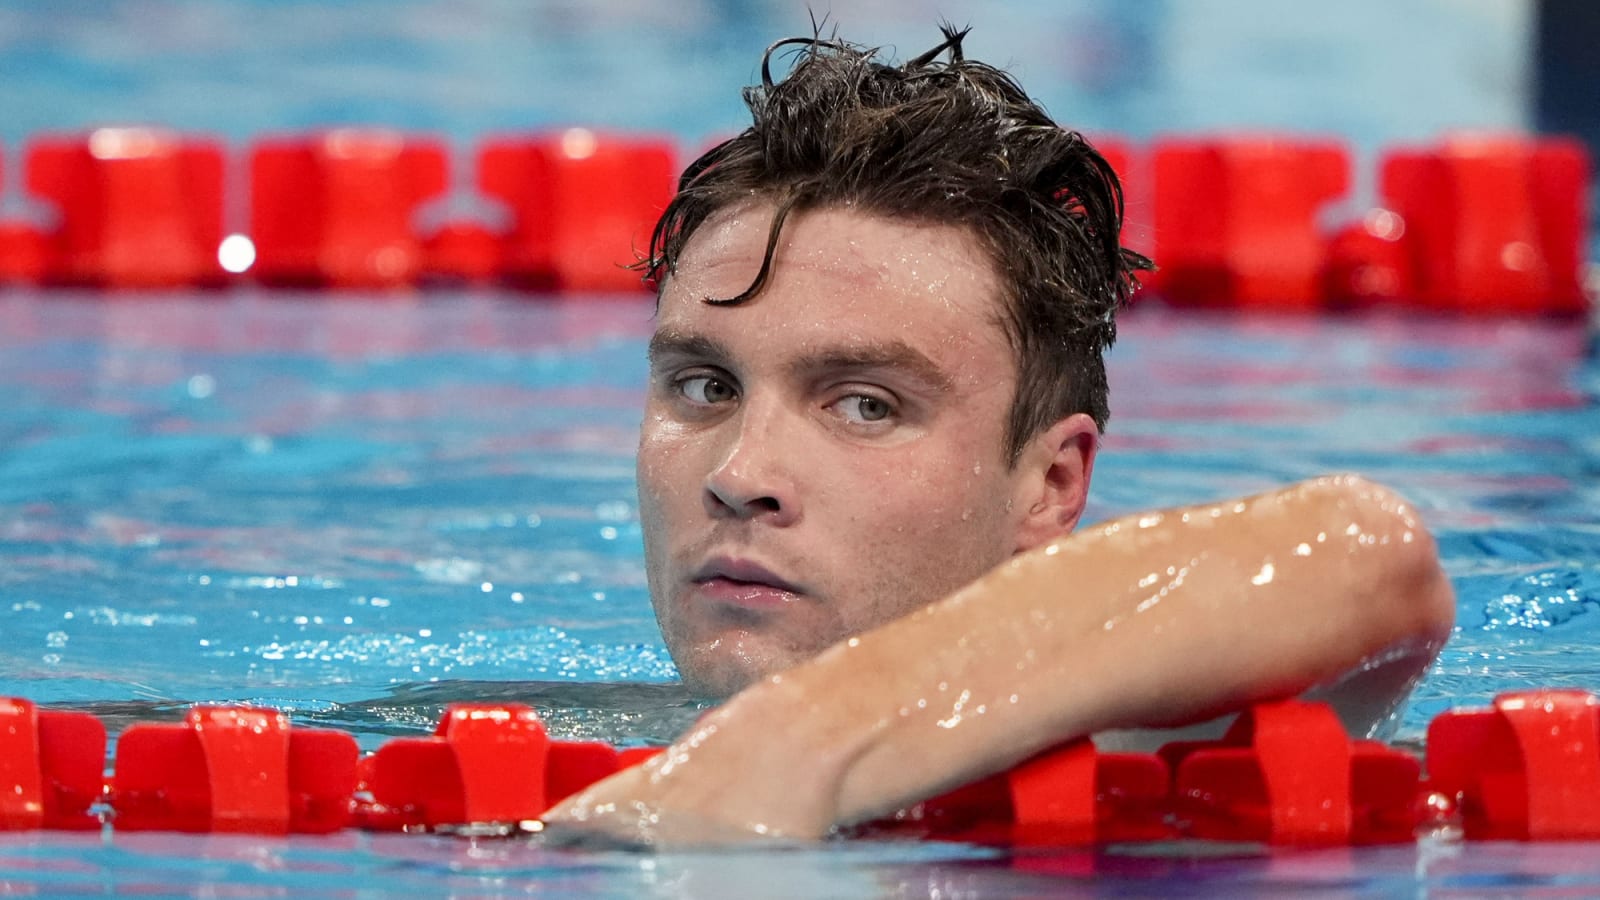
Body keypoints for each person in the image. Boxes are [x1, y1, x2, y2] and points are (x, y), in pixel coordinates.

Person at [542, 27, 1456, 844]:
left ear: (1050, 484)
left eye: (866, 405)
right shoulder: (540, 745)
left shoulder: (1151, 736)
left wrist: (815, 732)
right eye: (704, 386)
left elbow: (1368, 557)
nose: (740, 476)